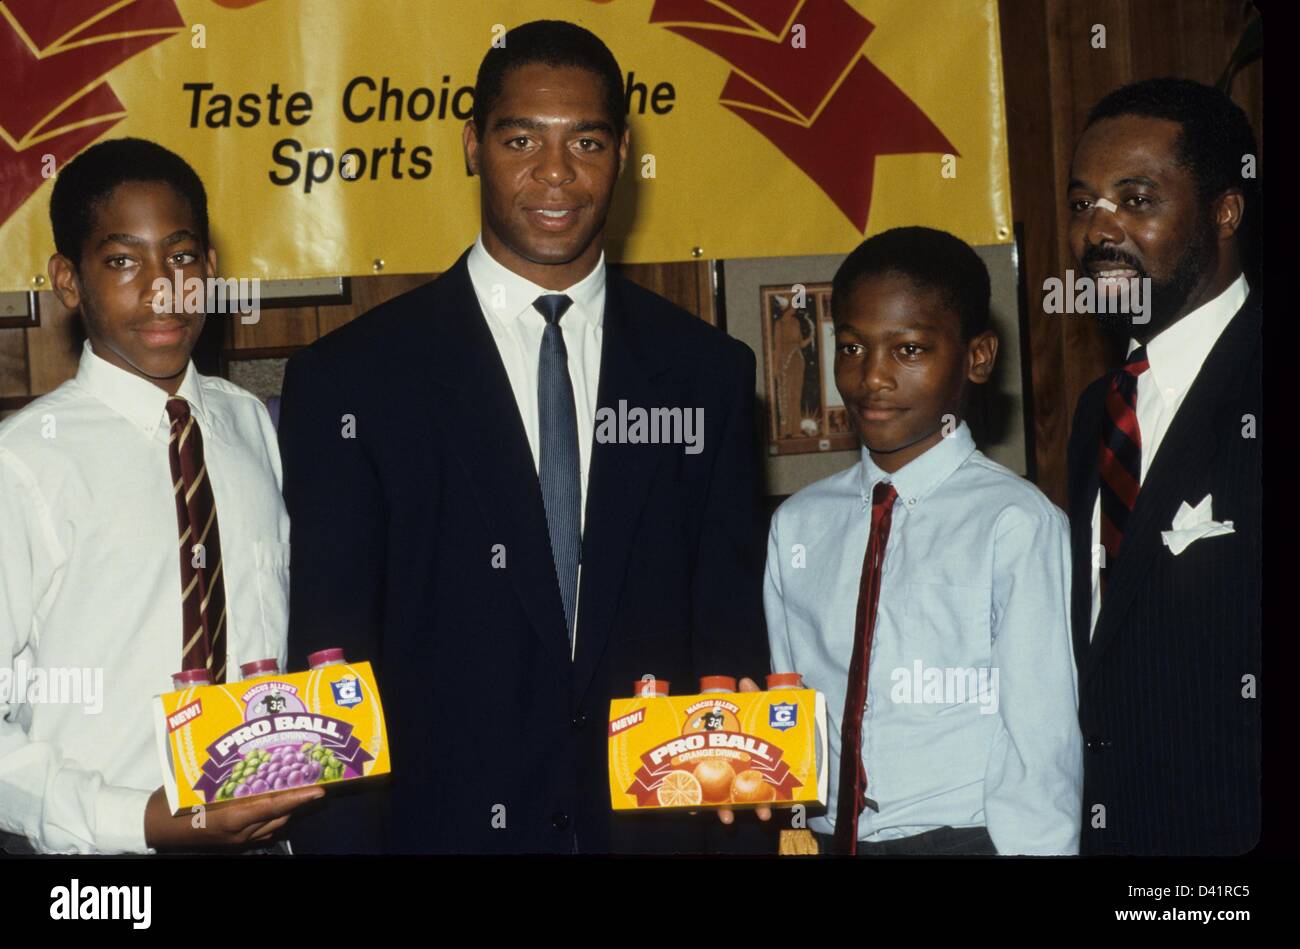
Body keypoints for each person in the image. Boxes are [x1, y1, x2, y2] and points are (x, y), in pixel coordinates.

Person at [279, 20, 769, 854]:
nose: (555, 173)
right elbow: (333, 671)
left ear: (621, 151)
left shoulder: (706, 374)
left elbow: (725, 640)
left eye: (585, 140)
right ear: (472, 145)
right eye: (521, 139)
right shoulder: (352, 378)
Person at [0, 138, 320, 853]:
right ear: (67, 280)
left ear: (210, 269)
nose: (161, 287)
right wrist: (135, 817)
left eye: (180, 257)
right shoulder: (24, 463)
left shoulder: (248, 425)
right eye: (121, 261)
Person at [765, 227, 1082, 856]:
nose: (871, 377)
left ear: (977, 357)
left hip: (966, 839)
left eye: (908, 350)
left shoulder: (1014, 521)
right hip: (827, 839)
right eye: (851, 346)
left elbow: (1040, 739)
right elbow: (789, 697)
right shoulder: (798, 524)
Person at [1065, 78, 1261, 855]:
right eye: (1083, 205)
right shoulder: (1098, 412)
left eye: (1135, 199)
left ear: (1225, 212)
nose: (1099, 232)